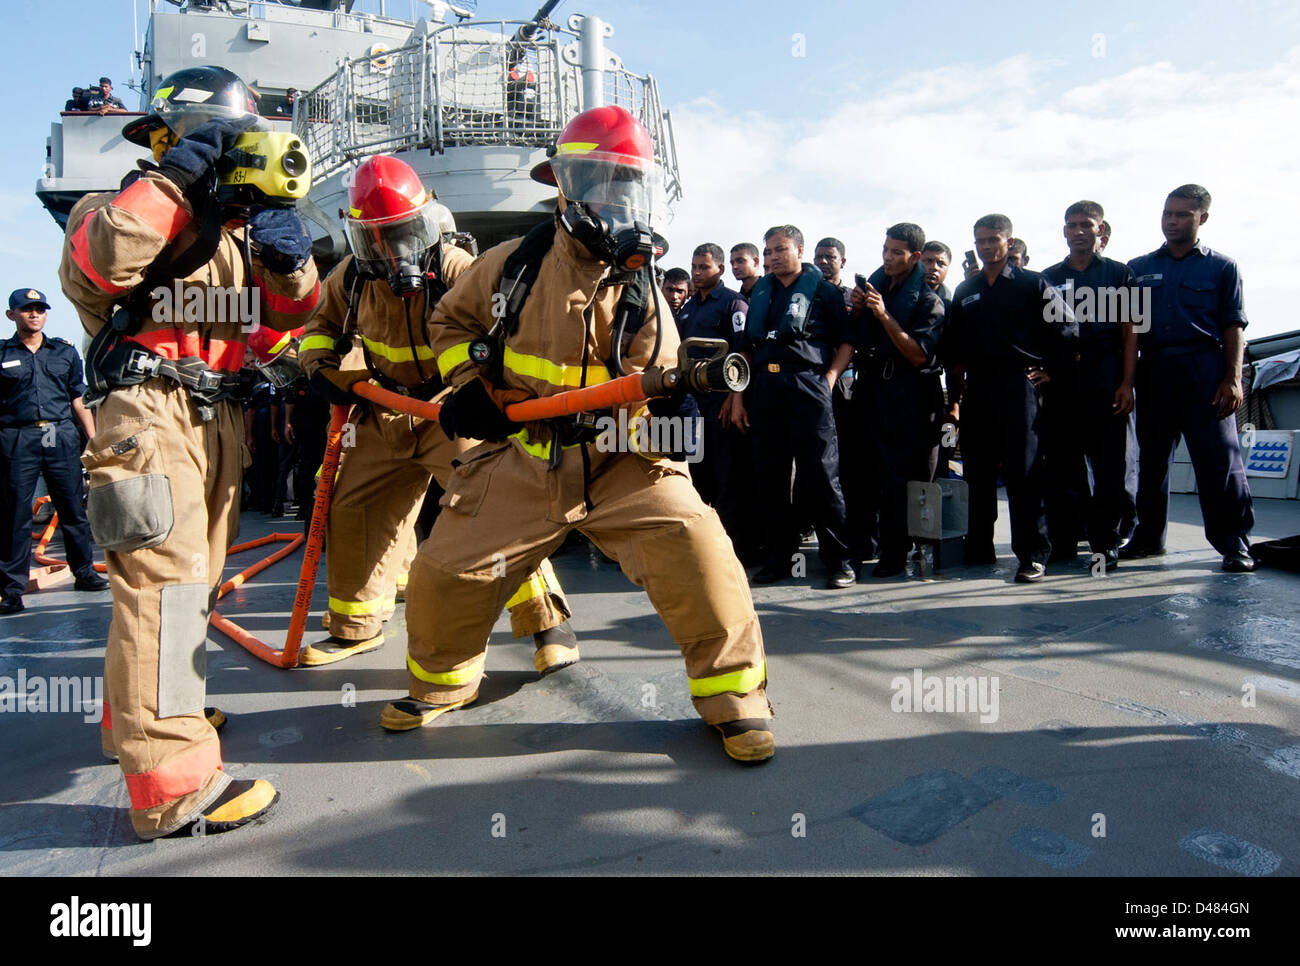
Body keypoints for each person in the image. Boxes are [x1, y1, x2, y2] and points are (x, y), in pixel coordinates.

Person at [382, 105, 773, 762]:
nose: (613, 199)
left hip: (624, 462)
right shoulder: (511, 265)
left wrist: (675, 415)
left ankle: (735, 701)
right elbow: (450, 322)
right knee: (442, 573)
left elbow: (664, 373)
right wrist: (470, 387)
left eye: (627, 184)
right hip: (525, 461)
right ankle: (444, 682)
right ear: (563, 186)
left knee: (702, 555)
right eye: (598, 181)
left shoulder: (642, 281)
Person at [59, 65, 320, 839]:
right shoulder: (120, 206)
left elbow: (281, 326)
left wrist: (286, 256)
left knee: (187, 592)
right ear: (181, 139)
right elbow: (101, 266)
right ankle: (172, 788)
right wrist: (175, 180)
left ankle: (140, 719)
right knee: (164, 593)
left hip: (215, 423)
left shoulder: (233, 239)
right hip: (148, 414)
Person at [296, 153, 579, 670]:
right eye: (376, 238)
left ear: (427, 222)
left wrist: (482, 394)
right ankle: (356, 626)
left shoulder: (456, 267)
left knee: (492, 511)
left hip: (449, 413)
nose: (390, 250)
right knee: (351, 510)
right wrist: (321, 369)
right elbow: (319, 327)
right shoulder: (351, 277)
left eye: (402, 233)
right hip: (380, 413)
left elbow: (499, 334)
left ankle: (547, 625)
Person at [1123, 184, 1254, 571]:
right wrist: (1128, 381)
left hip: (1204, 369)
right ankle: (1147, 538)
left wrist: (1232, 380)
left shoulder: (1222, 267)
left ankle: (1234, 543)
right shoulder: (1139, 268)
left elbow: (1234, 327)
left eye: (1182, 215)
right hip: (1155, 370)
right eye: (1168, 214)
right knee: (1150, 463)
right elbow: (1129, 331)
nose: (1172, 222)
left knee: (1219, 462)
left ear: (1202, 218)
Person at [943, 214, 1076, 582]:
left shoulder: (1033, 285)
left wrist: (1052, 371)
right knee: (979, 473)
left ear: (1010, 242)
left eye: (993, 240)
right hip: (978, 389)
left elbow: (1068, 330)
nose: (986, 246)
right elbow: (953, 347)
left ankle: (1033, 555)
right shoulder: (965, 290)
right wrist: (956, 394)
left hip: (1019, 388)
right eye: (980, 240)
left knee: (1024, 473)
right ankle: (979, 548)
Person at [733, 224, 856, 588]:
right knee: (769, 478)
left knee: (821, 475)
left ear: (799, 251)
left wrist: (829, 379)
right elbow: (745, 348)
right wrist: (738, 395)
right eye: (768, 251)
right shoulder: (760, 294)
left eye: (779, 250)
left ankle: (839, 561)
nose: (772, 257)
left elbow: (847, 341)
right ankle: (778, 559)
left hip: (809, 384)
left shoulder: (824, 292)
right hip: (765, 387)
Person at [1040, 200, 1137, 571]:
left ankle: (1105, 543)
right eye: (1072, 225)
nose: (1079, 231)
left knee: (1110, 468)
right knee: (1064, 468)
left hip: (1107, 377)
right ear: (1064, 231)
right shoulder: (1045, 277)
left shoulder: (1121, 274)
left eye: (1086, 224)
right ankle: (1066, 540)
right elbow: (1041, 333)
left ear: (1101, 230)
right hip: (1063, 382)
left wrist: (1127, 382)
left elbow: (1131, 334)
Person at [0, 290, 108, 614]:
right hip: (18, 436)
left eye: (39, 309)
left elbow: (79, 397)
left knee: (71, 506)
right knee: (16, 514)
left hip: (54, 433)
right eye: (26, 309)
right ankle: (12, 590)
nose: (34, 314)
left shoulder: (63, 352)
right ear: (11, 315)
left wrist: (94, 439)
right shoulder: (3, 354)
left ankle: (84, 572)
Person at [848, 224, 946, 577]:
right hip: (870, 388)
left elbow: (919, 355)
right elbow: (854, 337)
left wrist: (883, 315)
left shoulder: (927, 301)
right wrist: (859, 309)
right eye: (885, 250)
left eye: (896, 252)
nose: (887, 258)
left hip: (906, 395)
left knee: (898, 478)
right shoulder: (877, 288)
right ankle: (861, 545)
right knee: (860, 472)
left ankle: (896, 552)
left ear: (915, 257)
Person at [676, 243, 747, 515]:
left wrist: (734, 398)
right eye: (694, 267)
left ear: (720, 268)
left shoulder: (733, 303)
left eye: (703, 267)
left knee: (727, 474)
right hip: (693, 404)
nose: (696, 272)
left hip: (722, 402)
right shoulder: (689, 308)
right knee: (697, 471)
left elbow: (743, 353)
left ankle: (733, 543)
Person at [921, 241, 953, 308]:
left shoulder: (951, 305)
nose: (934, 267)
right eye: (928, 261)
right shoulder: (899, 291)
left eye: (940, 263)